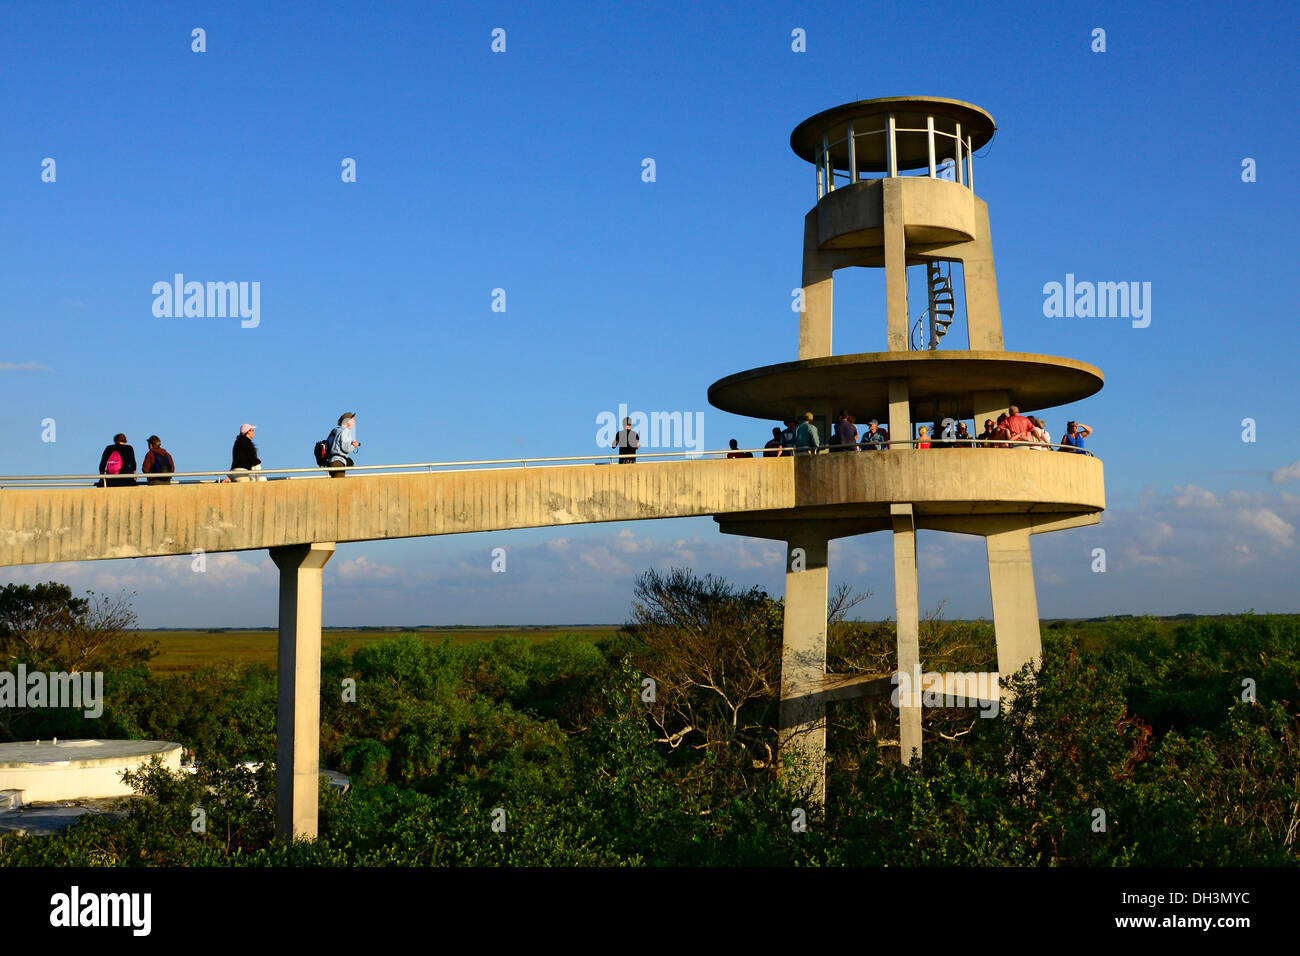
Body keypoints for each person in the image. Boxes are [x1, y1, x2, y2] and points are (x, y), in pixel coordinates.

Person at [326, 412, 361, 477]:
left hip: (331, 462)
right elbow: (346, 448)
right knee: (339, 485)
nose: (354, 423)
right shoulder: (345, 431)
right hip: (338, 462)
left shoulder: (336, 430)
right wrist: (354, 445)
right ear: (347, 421)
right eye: (353, 421)